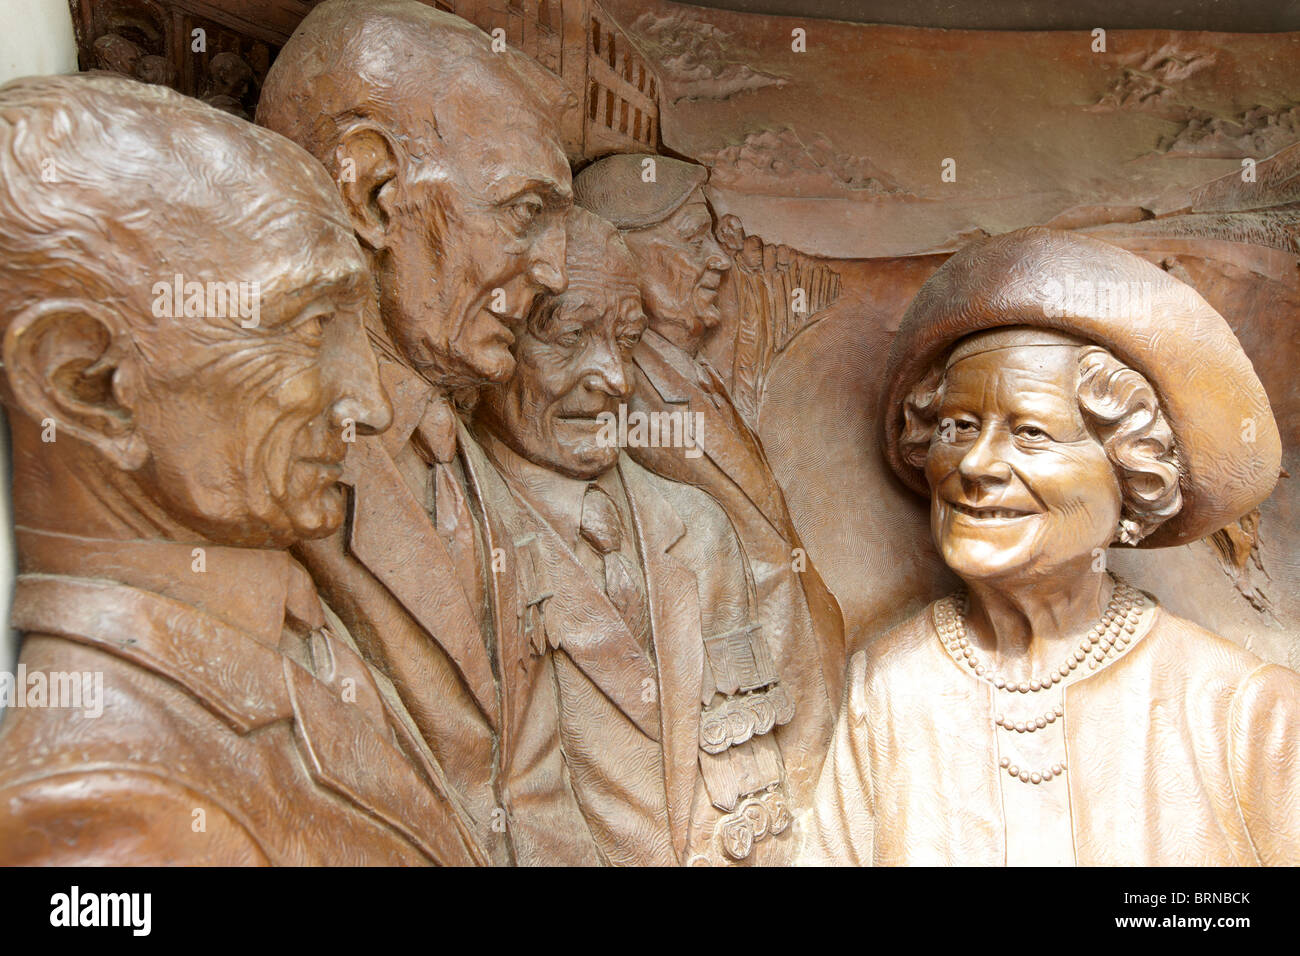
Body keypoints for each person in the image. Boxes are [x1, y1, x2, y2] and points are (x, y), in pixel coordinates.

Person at [0, 73, 482, 865]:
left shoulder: (275, 625)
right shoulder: (111, 821)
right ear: (84, 383)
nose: (370, 405)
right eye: (311, 324)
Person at [807, 227, 1300, 866]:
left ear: (1132, 474)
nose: (975, 465)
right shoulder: (889, 688)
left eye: (1032, 432)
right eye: (957, 427)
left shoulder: (1242, 711)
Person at [257, 0, 572, 864]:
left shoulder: (471, 461)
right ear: (372, 195)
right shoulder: (254, 485)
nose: (552, 272)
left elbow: (536, 793)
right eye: (523, 211)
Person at [471, 209, 800, 864]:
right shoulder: (461, 527)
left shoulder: (699, 530)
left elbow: (752, 785)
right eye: (570, 335)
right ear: (497, 340)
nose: (616, 380)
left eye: (625, 342)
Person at [574, 154, 841, 800]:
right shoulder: (619, 401)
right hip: (737, 757)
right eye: (693, 238)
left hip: (804, 730)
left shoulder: (689, 377)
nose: (719, 262)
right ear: (622, 256)